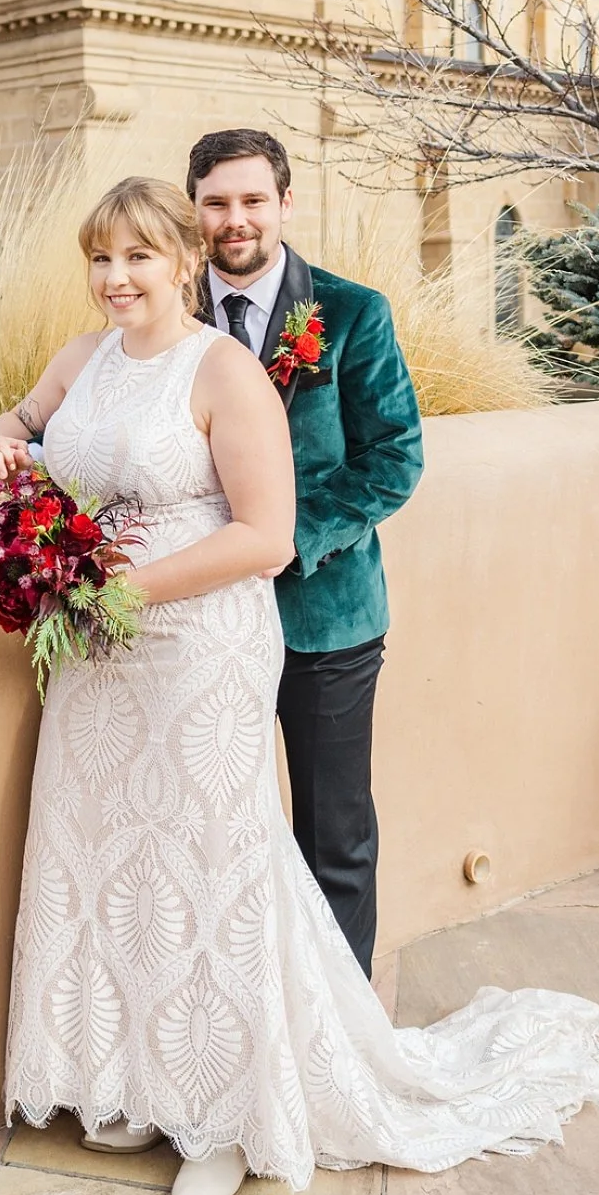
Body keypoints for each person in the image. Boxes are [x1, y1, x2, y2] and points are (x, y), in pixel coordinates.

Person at [0, 175, 599, 1195]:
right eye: (100, 257)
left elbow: (266, 536)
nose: (115, 277)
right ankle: (133, 1083)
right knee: (114, 853)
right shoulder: (78, 358)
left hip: (198, 648)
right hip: (98, 660)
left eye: (137, 256)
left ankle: (225, 1118)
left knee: (208, 858)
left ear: (183, 261)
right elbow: (25, 425)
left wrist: (115, 586)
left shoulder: (225, 371)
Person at [187, 127, 422, 979]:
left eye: (253, 200)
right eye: (217, 202)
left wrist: (284, 538)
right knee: (209, 829)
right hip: (198, 622)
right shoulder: (166, 315)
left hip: (326, 621)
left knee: (334, 837)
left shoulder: (352, 313)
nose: (235, 218)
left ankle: (340, 1045)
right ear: (196, 211)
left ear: (286, 203)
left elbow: (394, 457)